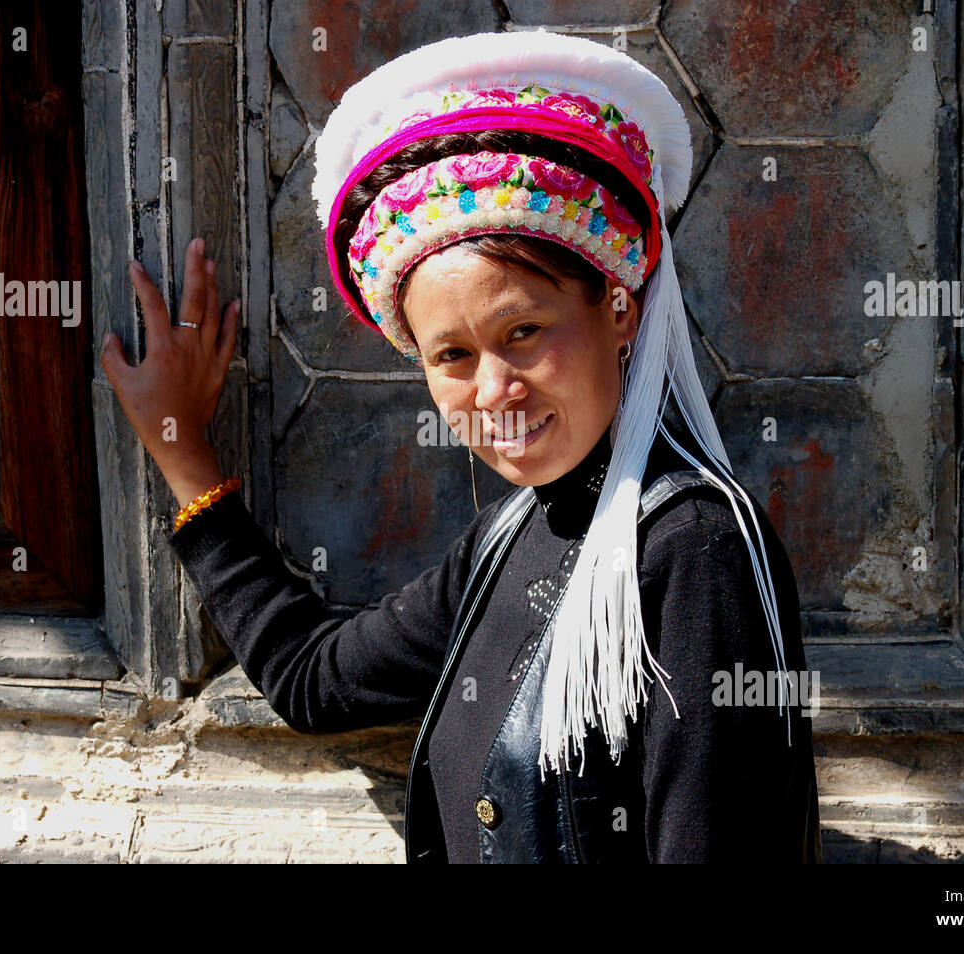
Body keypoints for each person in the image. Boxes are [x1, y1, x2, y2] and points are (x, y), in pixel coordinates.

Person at [101, 29, 821, 863]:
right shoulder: (510, 537)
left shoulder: (693, 550)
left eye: (524, 331)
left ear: (619, 307)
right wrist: (180, 444)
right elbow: (313, 676)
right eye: (451, 355)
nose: (492, 390)